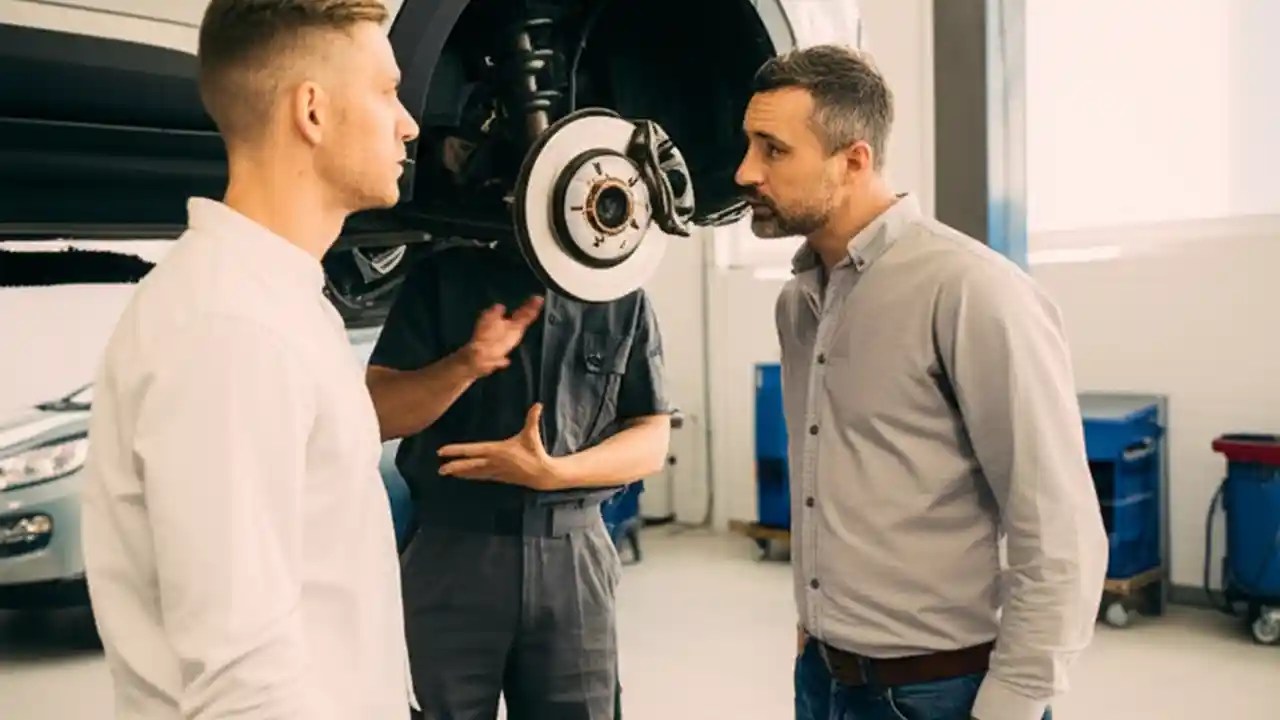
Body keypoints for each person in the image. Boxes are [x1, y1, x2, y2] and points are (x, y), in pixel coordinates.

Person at [734, 45, 1109, 720]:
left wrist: (1019, 696)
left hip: (942, 692)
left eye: (772, 150)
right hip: (824, 678)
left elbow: (1057, 524)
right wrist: (815, 634)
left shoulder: (969, 289)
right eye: (748, 145)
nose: (745, 172)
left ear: (853, 161)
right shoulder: (798, 304)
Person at [79, 2, 421, 718]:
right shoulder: (229, 327)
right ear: (313, 112)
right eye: (387, 92)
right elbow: (243, 678)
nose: (409, 122)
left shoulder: (278, 300)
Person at [366, 239, 670, 719]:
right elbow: (379, 413)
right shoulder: (442, 277)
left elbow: (652, 438)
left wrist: (552, 473)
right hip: (452, 551)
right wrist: (467, 364)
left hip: (574, 558)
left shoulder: (620, 290)